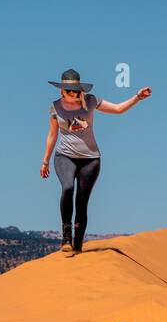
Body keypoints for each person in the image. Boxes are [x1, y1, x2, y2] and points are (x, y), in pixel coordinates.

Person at [40, 68, 151, 256]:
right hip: (64, 156)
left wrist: (137, 97)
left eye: (76, 90)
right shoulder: (55, 107)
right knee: (67, 188)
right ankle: (66, 237)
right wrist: (45, 161)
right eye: (69, 91)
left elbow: (117, 109)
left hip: (91, 160)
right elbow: (52, 135)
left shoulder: (90, 101)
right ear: (62, 91)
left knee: (82, 202)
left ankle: (78, 242)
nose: (73, 94)